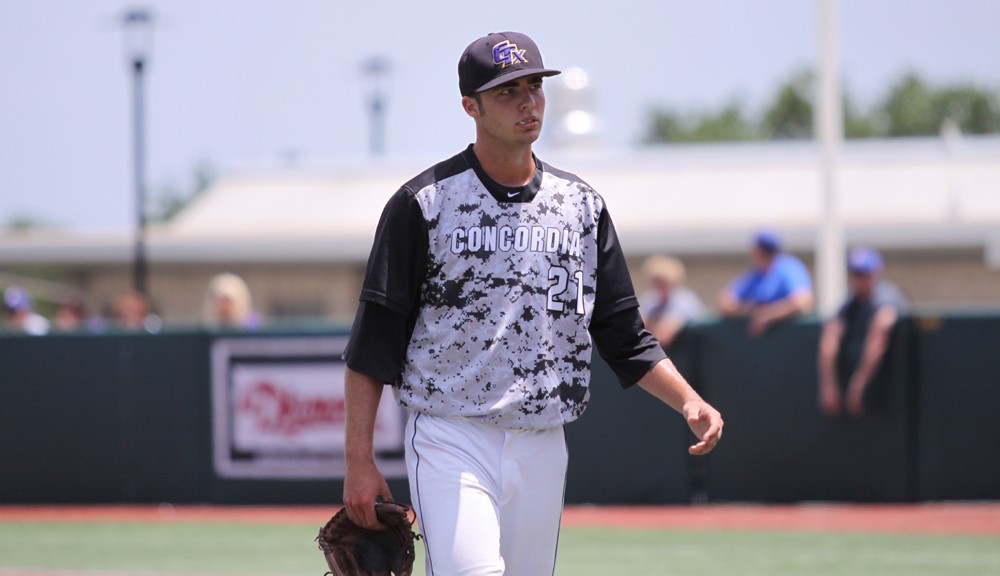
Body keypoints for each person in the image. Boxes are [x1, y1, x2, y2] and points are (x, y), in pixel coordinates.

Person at [341, 31, 723, 576]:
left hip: (544, 439)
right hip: (452, 433)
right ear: (469, 106)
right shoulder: (423, 204)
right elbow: (372, 344)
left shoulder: (581, 206)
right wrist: (359, 459)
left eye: (533, 88)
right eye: (506, 92)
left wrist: (689, 401)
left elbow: (621, 331)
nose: (528, 102)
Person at [818, 247, 909, 417]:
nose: (860, 279)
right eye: (855, 274)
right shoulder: (850, 304)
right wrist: (828, 386)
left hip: (892, 389)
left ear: (876, 273)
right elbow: (830, 336)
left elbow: (879, 336)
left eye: (864, 273)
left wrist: (858, 385)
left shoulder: (887, 297)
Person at [717, 230, 815, 336]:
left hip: (790, 340)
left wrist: (770, 316)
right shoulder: (756, 274)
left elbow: (803, 301)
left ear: (759, 250)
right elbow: (725, 301)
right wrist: (749, 312)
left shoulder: (788, 267)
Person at [638, 255, 706, 348]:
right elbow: (637, 328)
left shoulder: (684, 300)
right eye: (655, 281)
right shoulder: (650, 299)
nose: (659, 286)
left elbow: (663, 337)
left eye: (663, 282)